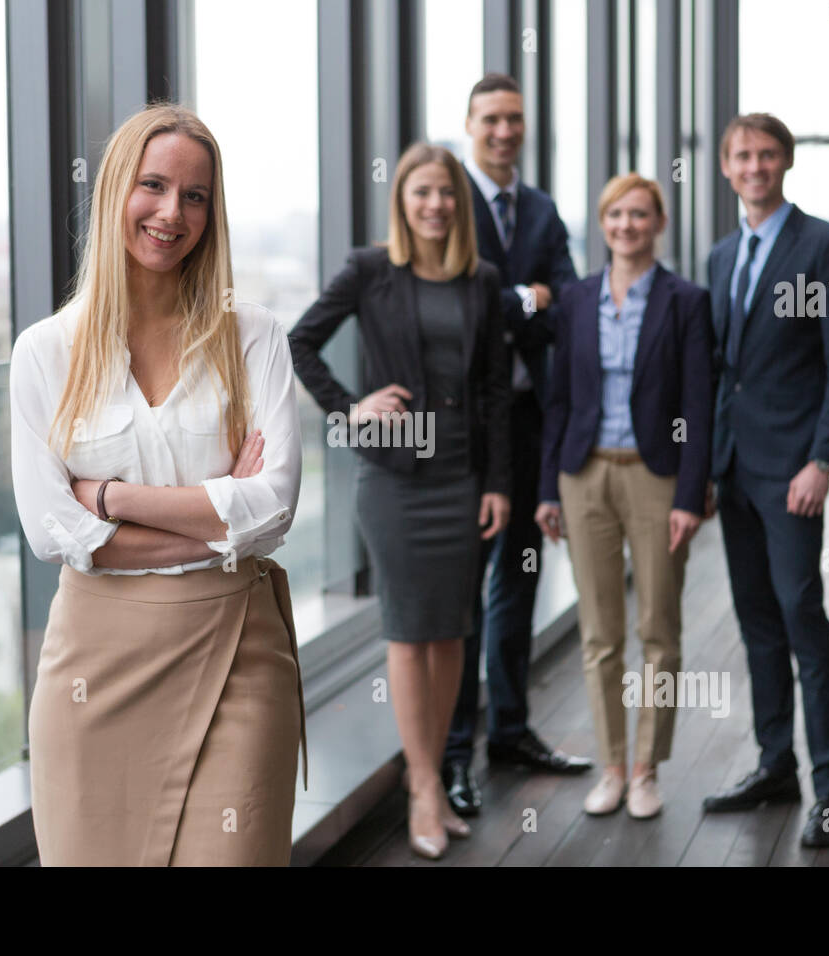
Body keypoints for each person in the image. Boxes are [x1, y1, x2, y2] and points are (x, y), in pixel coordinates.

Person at [10, 102, 306, 866]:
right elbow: (52, 533)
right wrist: (211, 516)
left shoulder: (256, 335)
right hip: (94, 673)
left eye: (196, 195)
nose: (172, 212)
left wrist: (109, 500)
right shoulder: (44, 353)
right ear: (116, 191)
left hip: (238, 653)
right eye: (154, 185)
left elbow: (272, 513)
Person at [288, 143, 512, 860]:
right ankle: (422, 785)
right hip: (393, 480)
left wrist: (500, 482)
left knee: (449, 633)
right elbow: (300, 344)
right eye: (422, 192)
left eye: (445, 192)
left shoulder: (482, 281)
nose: (436, 204)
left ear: (458, 201)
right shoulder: (370, 270)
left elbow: (496, 394)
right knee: (408, 634)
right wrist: (351, 410)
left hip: (460, 478)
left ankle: (438, 777)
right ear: (403, 200)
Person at [700, 113, 829, 848]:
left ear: (786, 161)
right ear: (727, 168)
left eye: (767, 154)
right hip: (735, 470)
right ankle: (775, 766)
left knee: (805, 621)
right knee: (758, 625)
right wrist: (707, 466)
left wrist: (822, 460)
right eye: (743, 155)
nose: (755, 165)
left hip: (794, 471)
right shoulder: (720, 254)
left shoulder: (828, 246)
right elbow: (722, 372)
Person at [536, 174, 713, 819]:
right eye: (616, 214)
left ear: (657, 223)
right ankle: (611, 766)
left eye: (640, 214)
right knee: (600, 633)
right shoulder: (577, 301)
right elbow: (559, 401)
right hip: (583, 477)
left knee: (658, 629)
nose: (627, 225)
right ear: (604, 222)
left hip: (656, 476)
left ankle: (647, 770)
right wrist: (547, 488)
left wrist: (690, 495)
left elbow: (698, 405)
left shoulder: (686, 301)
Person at [444, 72, 590, 818]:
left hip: (530, 422)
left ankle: (510, 729)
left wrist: (526, 303)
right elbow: (448, 301)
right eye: (492, 118)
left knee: (520, 579)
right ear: (469, 124)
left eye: (516, 120)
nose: (505, 131)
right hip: (465, 429)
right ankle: (452, 755)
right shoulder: (445, 196)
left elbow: (569, 301)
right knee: (465, 594)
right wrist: (518, 300)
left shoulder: (539, 210)